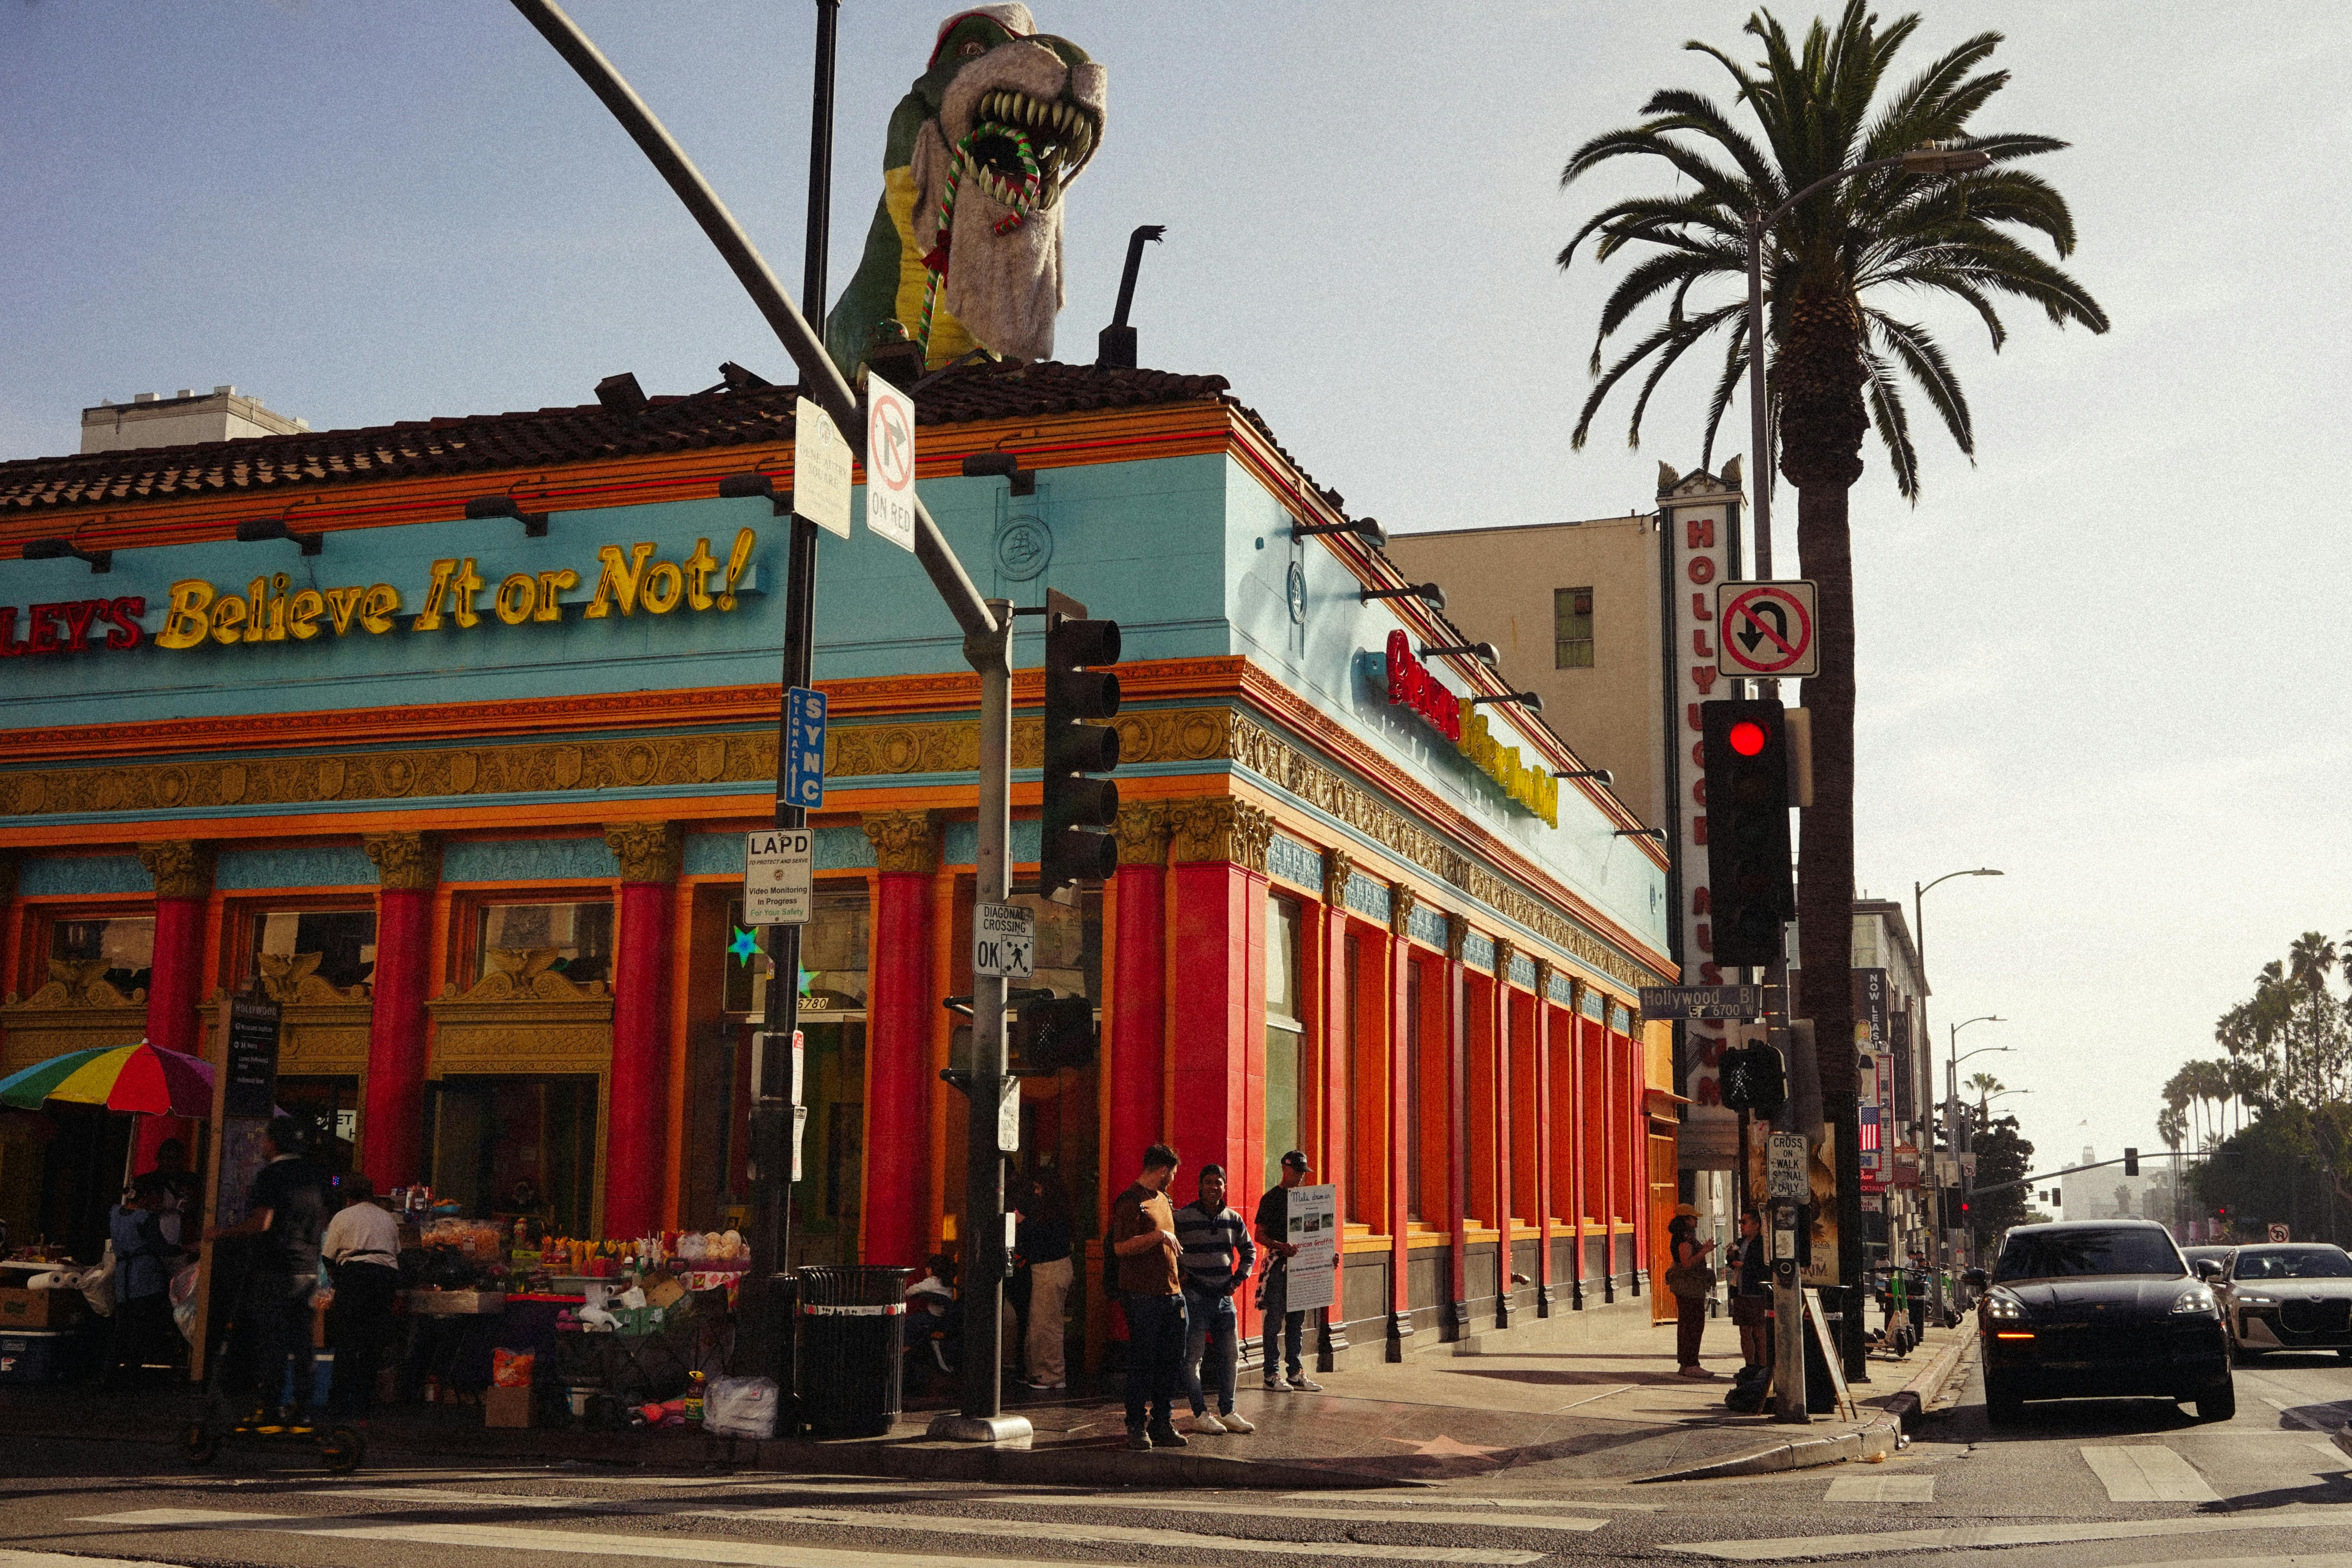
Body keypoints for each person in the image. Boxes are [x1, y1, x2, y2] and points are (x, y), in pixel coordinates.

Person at [206, 1116, 329, 1430]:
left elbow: (261, 1223)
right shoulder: (316, 1176)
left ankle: (270, 1408)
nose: (262, 1144)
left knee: (273, 1341)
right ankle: (302, 1410)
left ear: (274, 1143)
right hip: (307, 1269)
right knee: (302, 1342)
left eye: (265, 1139)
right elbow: (324, 1220)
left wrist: (222, 1233)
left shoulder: (270, 1176)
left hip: (275, 1268)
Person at [1107, 1143, 1188, 1451]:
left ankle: (1162, 1422)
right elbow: (1120, 1248)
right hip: (1142, 1295)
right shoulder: (1131, 1201)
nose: (1174, 1178)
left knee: (1171, 1362)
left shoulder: (1163, 1199)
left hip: (1173, 1293)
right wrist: (1158, 1236)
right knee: (1143, 1361)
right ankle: (1136, 1425)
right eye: (1174, 1173)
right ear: (1164, 1170)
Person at [1173, 1163, 1256, 1434]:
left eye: (1218, 1183)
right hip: (1194, 1297)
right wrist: (1179, 1274)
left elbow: (1250, 1251)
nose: (1213, 1187)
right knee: (1192, 1359)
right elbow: (1168, 1249)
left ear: (1225, 1187)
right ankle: (1200, 1414)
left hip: (1223, 1299)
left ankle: (1228, 1411)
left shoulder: (1233, 1219)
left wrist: (1238, 1279)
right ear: (1200, 1186)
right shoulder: (1183, 1218)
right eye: (1208, 1182)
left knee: (1231, 1356)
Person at [320, 1173, 401, 1427]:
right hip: (385, 1278)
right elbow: (397, 1253)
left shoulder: (343, 1216)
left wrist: (337, 1280)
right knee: (372, 1343)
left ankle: (339, 1403)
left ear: (348, 1197)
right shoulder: (387, 1218)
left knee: (347, 1341)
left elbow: (328, 1256)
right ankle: (364, 1405)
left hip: (355, 1276)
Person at [1253, 1150, 1322, 1392]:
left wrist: (1327, 1254)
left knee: (1296, 1321)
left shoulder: (1307, 1200)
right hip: (1279, 1267)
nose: (1302, 1177)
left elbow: (1318, 1234)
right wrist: (1281, 1246)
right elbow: (1259, 1235)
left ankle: (1295, 1372)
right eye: (1298, 1171)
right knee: (1274, 1320)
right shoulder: (1271, 1198)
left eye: (1304, 1172)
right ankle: (1271, 1374)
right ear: (1285, 1169)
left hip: (1302, 1267)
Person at [106, 1173, 182, 1385]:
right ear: (148, 1196)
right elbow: (161, 1248)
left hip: (123, 1280)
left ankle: (110, 1374)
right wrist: (186, 1248)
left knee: (123, 1328)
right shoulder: (146, 1219)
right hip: (145, 1279)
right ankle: (131, 1374)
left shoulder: (115, 1213)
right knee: (144, 1329)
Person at [1015, 1171, 1074, 1391]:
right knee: (1041, 1322)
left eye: (1039, 1188)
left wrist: (1024, 1222)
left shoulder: (1053, 1215)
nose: (1037, 1192)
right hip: (1051, 1268)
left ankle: (1052, 1376)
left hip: (1050, 1269)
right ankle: (1039, 1372)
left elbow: (1045, 1237)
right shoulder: (1058, 1211)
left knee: (1046, 1324)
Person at [1666, 1205, 1718, 1379]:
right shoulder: (1684, 1238)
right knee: (1693, 1325)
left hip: (1690, 1286)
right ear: (1686, 1219)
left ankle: (1687, 1364)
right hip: (1689, 1286)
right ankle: (1691, 1364)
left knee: (1689, 1324)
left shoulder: (1686, 1237)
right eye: (1694, 1218)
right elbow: (1687, 1263)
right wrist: (1705, 1251)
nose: (1696, 1221)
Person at [1731, 1209, 1771, 1370]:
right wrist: (1731, 1257)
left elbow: (1765, 1267)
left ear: (1756, 1225)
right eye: (1741, 1222)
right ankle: (1750, 1365)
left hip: (1756, 1292)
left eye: (1745, 1222)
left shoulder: (1762, 1244)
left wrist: (1745, 1266)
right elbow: (1733, 1263)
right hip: (1741, 1291)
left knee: (1760, 1331)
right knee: (1744, 1331)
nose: (1742, 1226)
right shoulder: (1741, 1242)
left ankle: (1762, 1365)